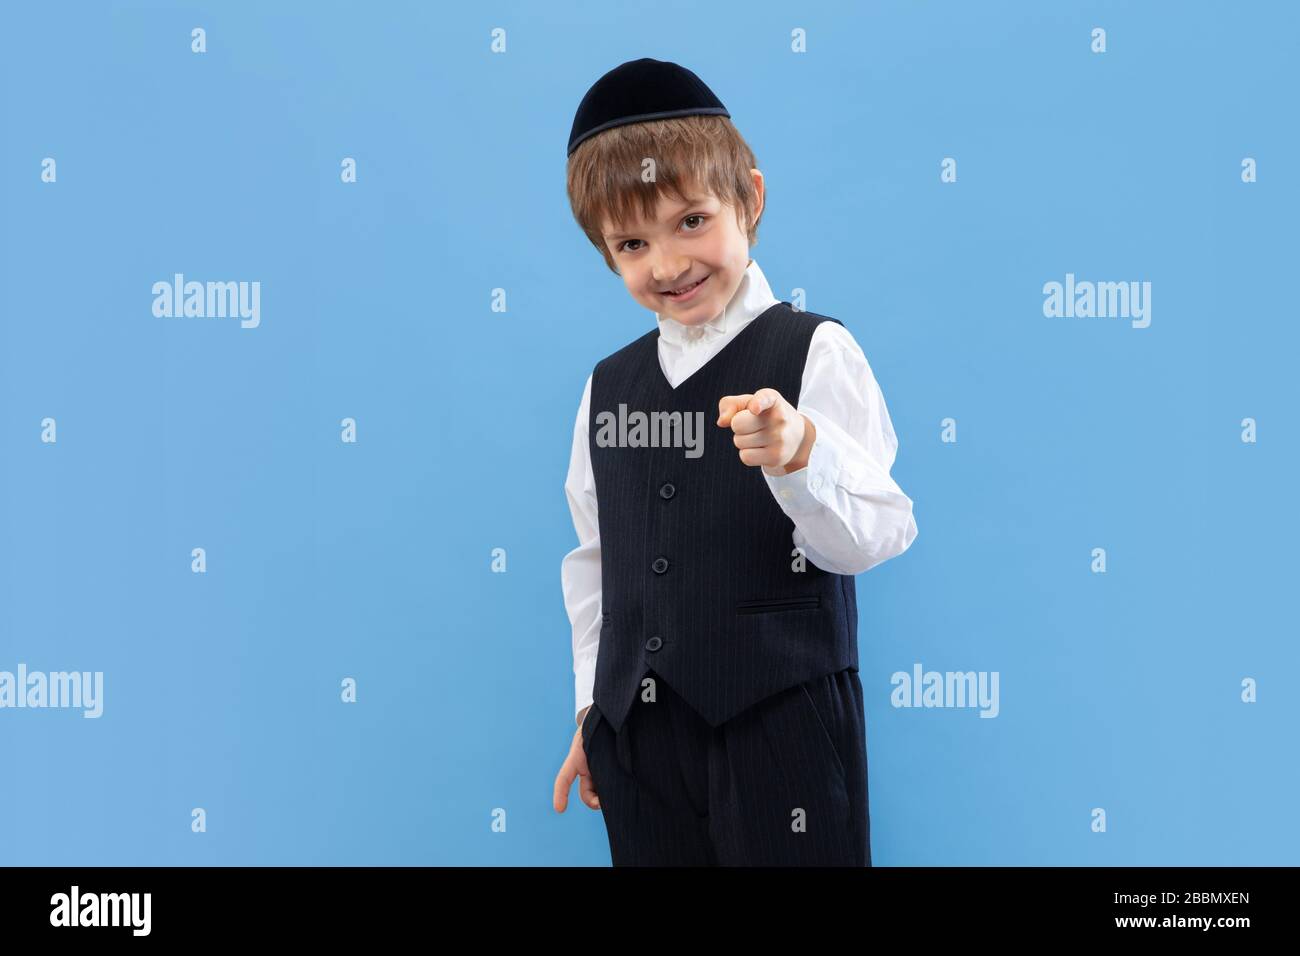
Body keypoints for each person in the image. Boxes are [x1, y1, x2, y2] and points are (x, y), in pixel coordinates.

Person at [550, 58, 918, 865]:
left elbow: (881, 531)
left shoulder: (813, 349)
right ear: (606, 253)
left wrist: (800, 455)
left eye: (691, 222)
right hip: (640, 744)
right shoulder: (607, 387)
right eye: (633, 243)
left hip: (778, 729)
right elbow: (597, 562)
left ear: (749, 198)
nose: (669, 264)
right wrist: (594, 710)